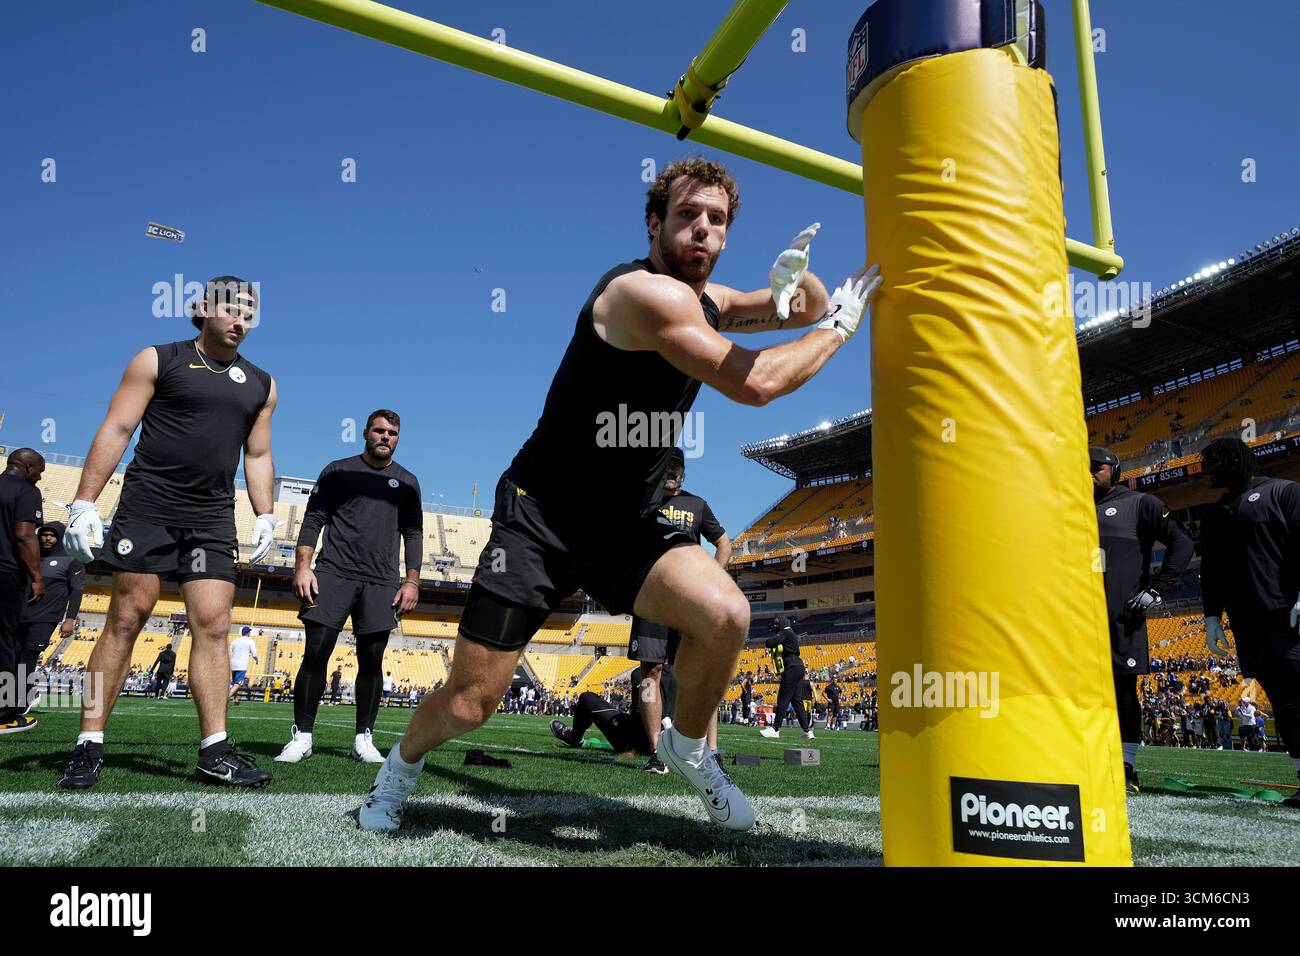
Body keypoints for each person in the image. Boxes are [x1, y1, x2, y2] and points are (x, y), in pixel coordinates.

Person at [359, 156, 881, 834]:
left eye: (716, 220)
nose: (701, 230)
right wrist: (837, 326)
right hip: (541, 518)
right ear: (653, 223)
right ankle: (397, 769)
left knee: (725, 613)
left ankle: (687, 746)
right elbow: (758, 383)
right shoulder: (642, 293)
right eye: (687, 215)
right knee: (471, 702)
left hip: (624, 526)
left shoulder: (706, 301)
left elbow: (795, 304)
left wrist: (796, 281)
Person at [58, 276, 278, 788]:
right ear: (202, 308)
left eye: (250, 312)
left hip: (212, 516)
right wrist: (83, 503)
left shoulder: (263, 383)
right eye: (232, 309)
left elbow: (259, 454)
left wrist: (265, 513)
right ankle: (88, 745)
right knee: (125, 619)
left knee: (215, 625)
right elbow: (117, 428)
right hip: (149, 506)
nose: (241, 320)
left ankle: (214, 751)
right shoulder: (157, 359)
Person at [276, 409, 422, 764]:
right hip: (333, 572)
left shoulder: (407, 482)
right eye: (379, 430)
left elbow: (413, 533)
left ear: (398, 438)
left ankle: (363, 739)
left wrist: (411, 581)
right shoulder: (338, 470)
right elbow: (314, 518)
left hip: (381, 580)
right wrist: (302, 566)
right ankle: (303, 737)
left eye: (392, 433)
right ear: (365, 433)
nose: (386, 437)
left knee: (371, 661)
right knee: (316, 652)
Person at [1199, 437, 1300, 806]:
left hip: (1287, 610)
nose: (1207, 472)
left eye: (1212, 463)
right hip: (1248, 620)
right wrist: (1211, 615)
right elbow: (1210, 571)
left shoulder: (1284, 492)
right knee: (1283, 698)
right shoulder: (1215, 512)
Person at [1090, 446, 1193, 793]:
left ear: (1115, 470)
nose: (1089, 473)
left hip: (1122, 618)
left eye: (1096, 467)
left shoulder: (1141, 503)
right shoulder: (1071, 509)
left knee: (1123, 692)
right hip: (1078, 621)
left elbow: (1182, 544)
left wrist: (1157, 589)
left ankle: (1126, 767)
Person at [627, 447, 730, 772]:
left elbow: (724, 541)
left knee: (699, 672)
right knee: (650, 674)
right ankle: (658, 752)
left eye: (677, 467)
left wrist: (714, 579)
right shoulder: (643, 502)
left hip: (688, 601)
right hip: (652, 598)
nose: (672, 472)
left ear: (683, 472)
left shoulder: (696, 504)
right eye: (667, 466)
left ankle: (710, 750)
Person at [17, 521, 83, 715]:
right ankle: (17, 695)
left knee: (28, 655)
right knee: (12, 656)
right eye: (44, 534)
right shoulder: (30, 557)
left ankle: (23, 699)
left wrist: (69, 619)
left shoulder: (72, 560)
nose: (47, 538)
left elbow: (77, 591)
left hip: (47, 617)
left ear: (60, 537)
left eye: (51, 535)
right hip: (20, 615)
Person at [0, 449, 45, 733]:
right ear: (28, 467)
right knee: (5, 643)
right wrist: (37, 576)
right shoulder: (27, 491)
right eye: (39, 470)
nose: (41, 476)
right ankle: (4, 714)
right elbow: (24, 535)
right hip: (5, 572)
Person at [550, 664, 677, 758]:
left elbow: (639, 714)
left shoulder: (642, 673)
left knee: (586, 698)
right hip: (672, 744)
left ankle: (575, 738)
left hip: (642, 741)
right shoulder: (684, 672)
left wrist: (631, 749)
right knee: (587, 698)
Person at [760, 616, 813, 739]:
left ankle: (775, 729)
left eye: (776, 624)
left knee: (783, 699)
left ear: (783, 623)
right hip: (799, 667)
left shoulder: (786, 632)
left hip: (792, 667)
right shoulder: (790, 633)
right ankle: (807, 731)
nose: (774, 626)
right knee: (796, 701)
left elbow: (769, 642)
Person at [228, 626, 259, 705]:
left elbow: (229, 653)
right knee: (238, 683)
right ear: (248, 633)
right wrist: (257, 660)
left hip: (233, 663)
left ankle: (236, 699)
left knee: (235, 682)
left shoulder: (234, 641)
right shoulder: (250, 641)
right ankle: (226, 698)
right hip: (241, 665)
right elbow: (254, 654)